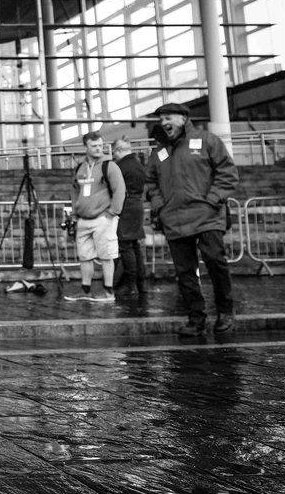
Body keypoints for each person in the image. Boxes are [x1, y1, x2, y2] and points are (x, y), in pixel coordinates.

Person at [145, 102, 239, 337]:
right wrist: (160, 207)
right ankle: (196, 319)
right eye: (162, 119)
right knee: (185, 273)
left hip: (207, 216)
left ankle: (225, 313)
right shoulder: (159, 153)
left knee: (216, 263)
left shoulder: (208, 141)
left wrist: (213, 199)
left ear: (184, 118)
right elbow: (150, 183)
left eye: (169, 118)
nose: (165, 123)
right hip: (174, 220)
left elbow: (227, 173)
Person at [66, 131, 125, 303]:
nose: (98, 148)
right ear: (86, 147)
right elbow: (74, 190)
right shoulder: (81, 168)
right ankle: (86, 289)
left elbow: (120, 190)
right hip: (84, 218)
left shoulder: (110, 166)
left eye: (100, 145)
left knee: (106, 255)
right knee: (85, 256)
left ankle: (108, 291)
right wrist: (75, 214)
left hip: (103, 218)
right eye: (94, 146)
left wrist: (112, 213)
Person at [111, 136, 149, 298]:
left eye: (114, 153)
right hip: (137, 205)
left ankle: (130, 284)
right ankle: (141, 283)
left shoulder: (120, 167)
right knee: (135, 247)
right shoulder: (138, 165)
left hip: (125, 207)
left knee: (126, 246)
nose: (113, 156)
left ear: (118, 150)